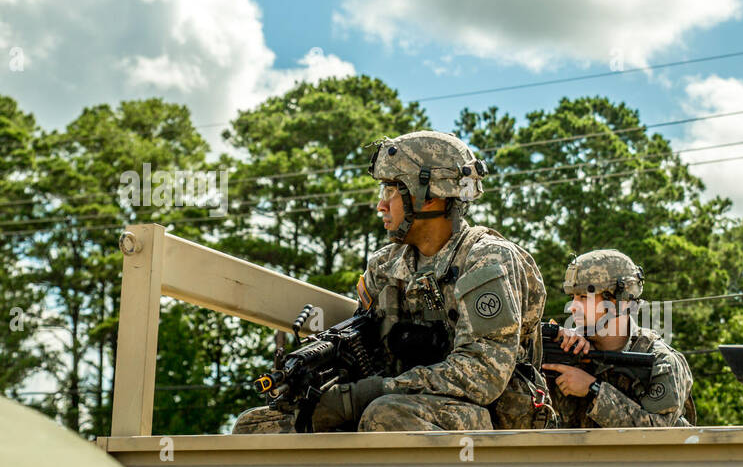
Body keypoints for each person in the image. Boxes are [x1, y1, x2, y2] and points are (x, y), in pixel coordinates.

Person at [233, 130, 550, 434]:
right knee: (258, 426)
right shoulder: (385, 266)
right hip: (402, 403)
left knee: (385, 414)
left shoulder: (486, 260)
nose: (380, 205)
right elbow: (368, 348)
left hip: (492, 420)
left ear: (427, 196)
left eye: (390, 191)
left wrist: (367, 394)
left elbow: (484, 375)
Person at [544, 249, 695, 427]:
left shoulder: (660, 361)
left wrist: (594, 390)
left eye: (584, 297)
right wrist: (546, 339)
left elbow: (661, 433)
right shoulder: (566, 349)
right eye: (573, 297)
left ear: (617, 303)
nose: (572, 308)